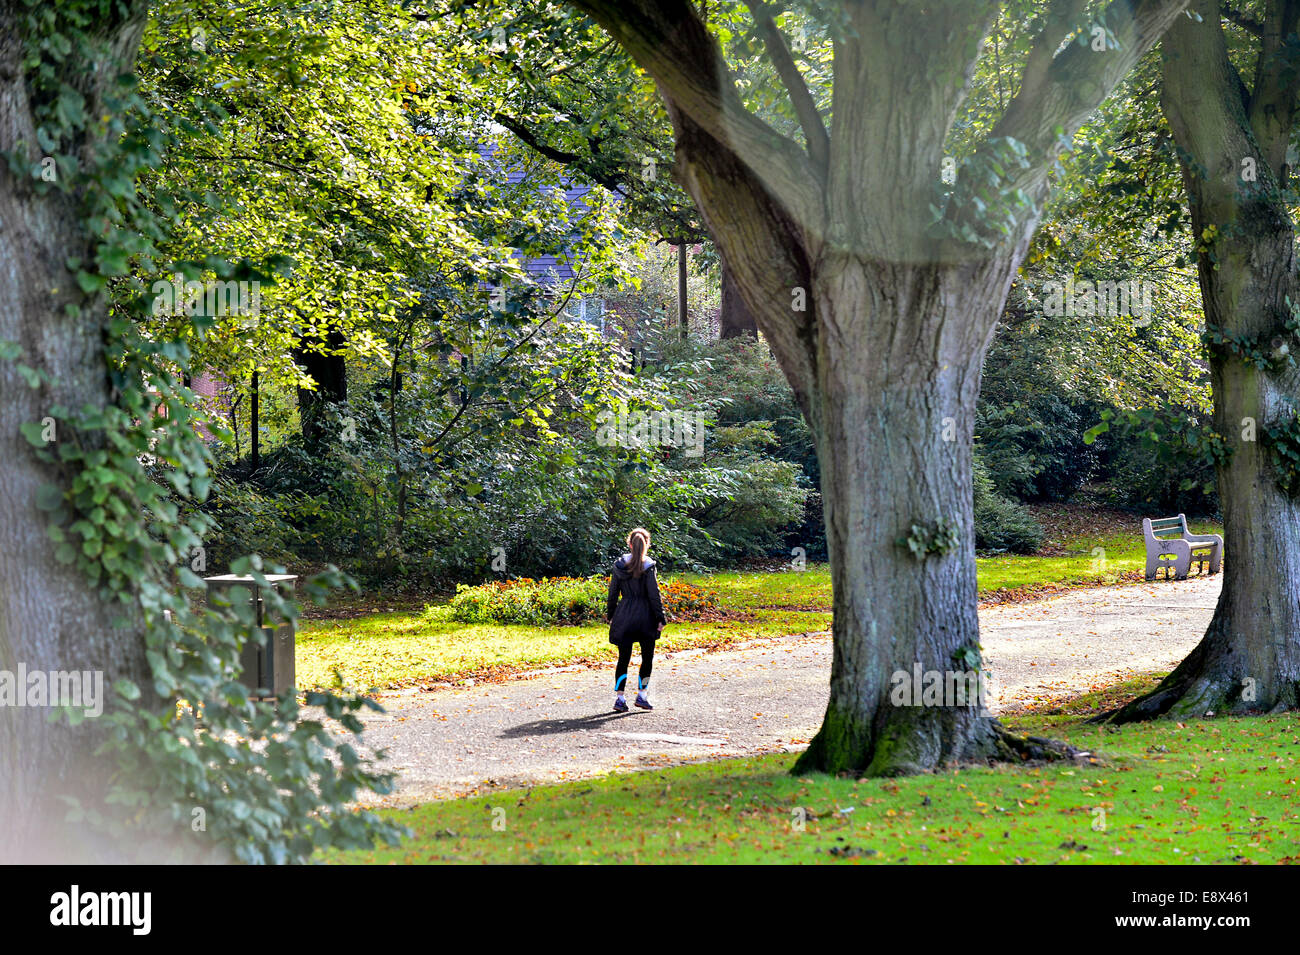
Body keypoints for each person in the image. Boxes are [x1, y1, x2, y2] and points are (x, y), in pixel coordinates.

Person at [606, 527, 666, 712]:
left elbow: (613, 593)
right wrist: (660, 617)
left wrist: (611, 615)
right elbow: (653, 594)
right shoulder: (649, 567)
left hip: (624, 616)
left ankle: (620, 698)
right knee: (647, 659)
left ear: (629, 544)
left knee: (623, 659)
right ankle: (642, 695)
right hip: (646, 617)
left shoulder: (619, 566)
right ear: (647, 544)